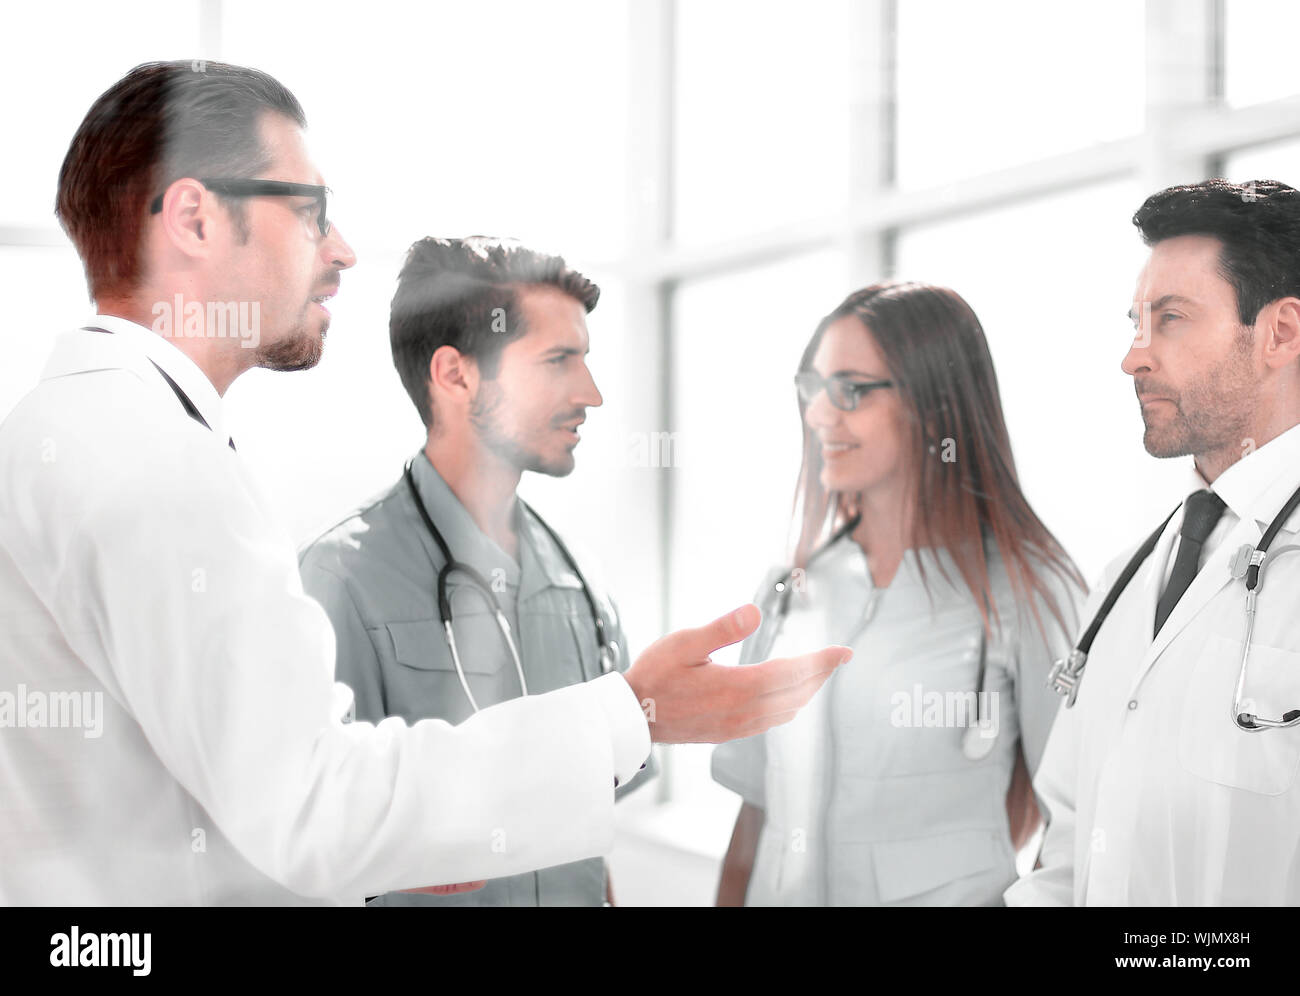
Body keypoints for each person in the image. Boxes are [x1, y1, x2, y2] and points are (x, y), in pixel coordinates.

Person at [0, 60, 849, 905]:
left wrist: (420, 841)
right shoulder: (158, 464)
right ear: (194, 218)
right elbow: (316, 810)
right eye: (310, 212)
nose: (340, 251)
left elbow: (227, 801)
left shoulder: (73, 435)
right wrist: (634, 712)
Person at [298, 237, 659, 906]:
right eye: (558, 361)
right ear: (456, 374)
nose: (593, 394)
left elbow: (592, 815)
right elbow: (319, 845)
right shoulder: (339, 580)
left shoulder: (578, 577)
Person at [712, 281, 1085, 906]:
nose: (819, 414)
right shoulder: (790, 589)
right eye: (813, 389)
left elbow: (1073, 828)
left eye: (851, 391)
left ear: (935, 405)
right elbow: (755, 815)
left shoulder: (1029, 589)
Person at [1006, 179, 1300, 907]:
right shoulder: (1123, 579)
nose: (1132, 358)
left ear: (1281, 333)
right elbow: (1066, 855)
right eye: (1135, 321)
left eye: (1169, 320)